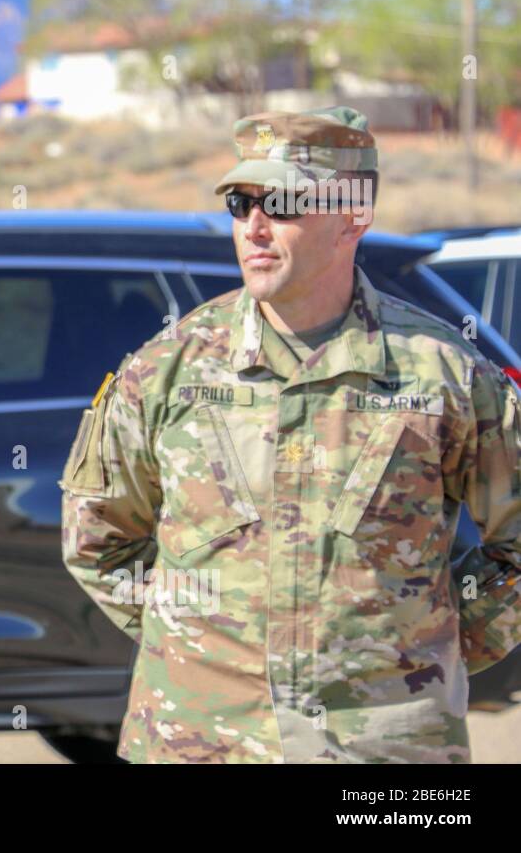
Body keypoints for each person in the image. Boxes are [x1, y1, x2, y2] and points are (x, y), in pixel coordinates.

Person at [59, 106, 521, 763]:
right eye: (241, 202)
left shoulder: (441, 372)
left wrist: (421, 648)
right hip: (199, 742)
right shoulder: (167, 370)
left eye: (282, 202)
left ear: (353, 215)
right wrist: (197, 642)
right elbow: (96, 542)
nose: (254, 226)